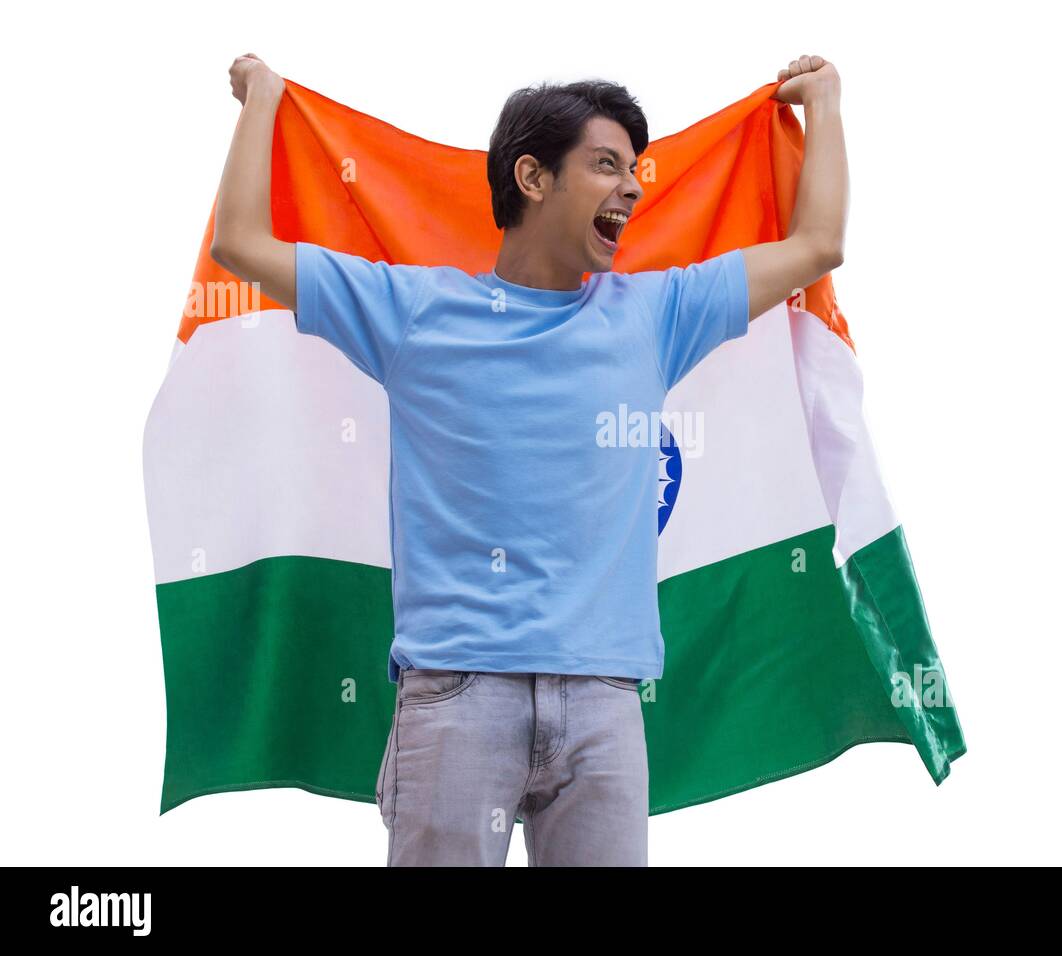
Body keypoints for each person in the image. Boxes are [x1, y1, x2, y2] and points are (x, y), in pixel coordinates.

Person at [210, 52, 847, 866]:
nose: (633, 188)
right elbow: (240, 242)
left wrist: (824, 105)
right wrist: (263, 100)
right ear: (533, 177)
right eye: (606, 165)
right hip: (456, 696)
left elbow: (818, 243)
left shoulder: (656, 316)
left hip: (606, 704)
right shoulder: (413, 312)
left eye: (636, 171)